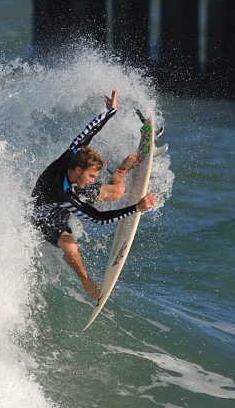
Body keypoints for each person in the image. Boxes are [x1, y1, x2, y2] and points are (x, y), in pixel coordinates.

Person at [31, 90, 160, 300]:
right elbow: (98, 218)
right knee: (70, 245)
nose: (93, 179)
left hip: (75, 190)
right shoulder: (61, 193)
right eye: (92, 176)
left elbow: (89, 131)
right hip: (46, 219)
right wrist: (136, 208)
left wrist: (111, 111)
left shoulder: (75, 153)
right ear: (79, 170)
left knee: (118, 191)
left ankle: (123, 169)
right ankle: (87, 282)